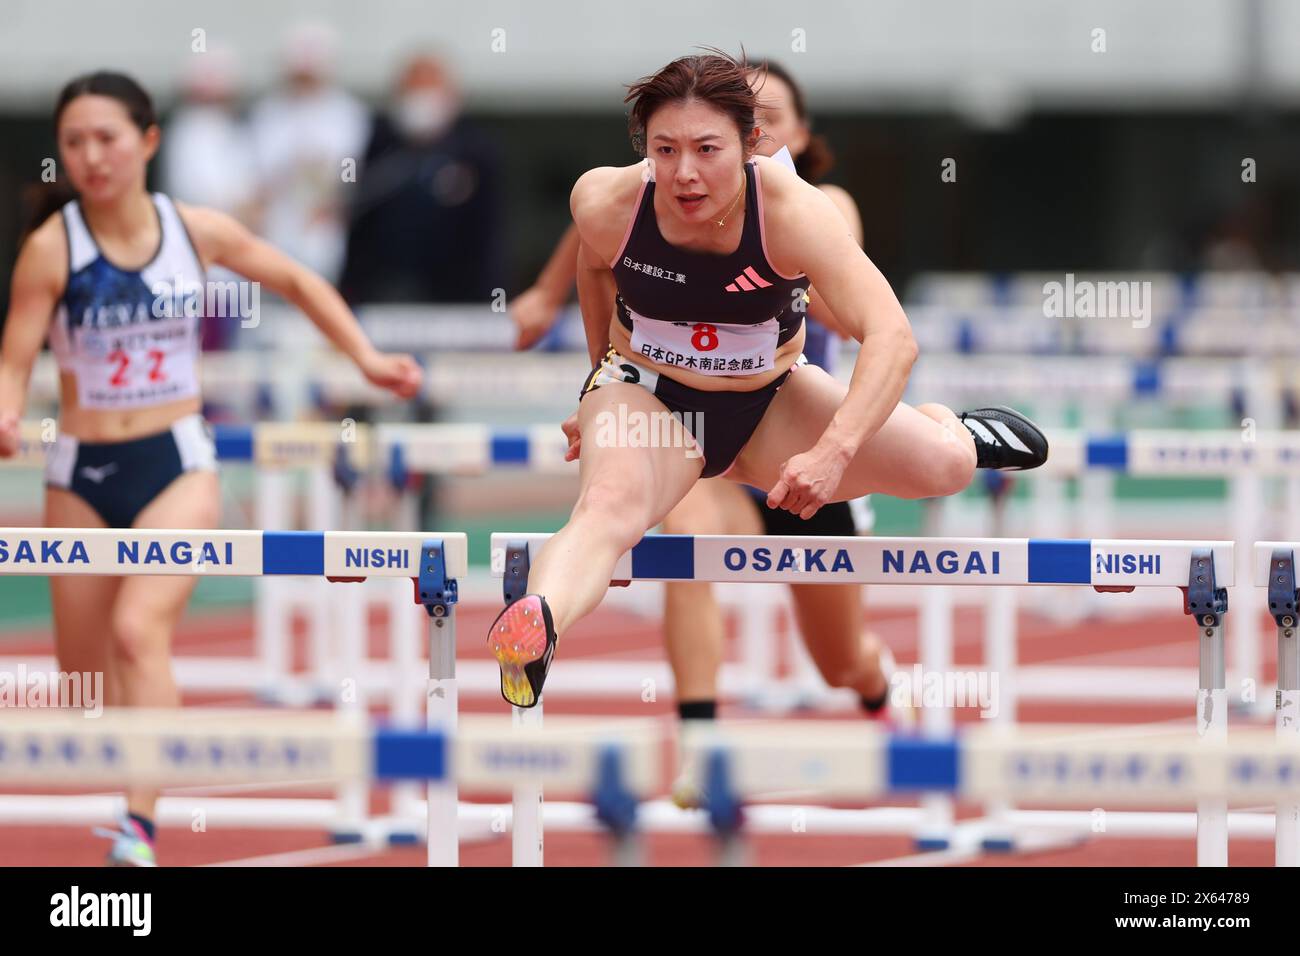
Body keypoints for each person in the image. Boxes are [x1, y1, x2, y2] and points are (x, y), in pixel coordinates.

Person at [487, 50, 1047, 710]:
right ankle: (536, 628)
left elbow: (892, 337)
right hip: (654, 399)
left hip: (773, 403)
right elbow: (592, 270)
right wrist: (597, 386)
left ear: (752, 143)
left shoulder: (795, 212)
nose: (684, 173)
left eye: (706, 149)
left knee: (945, 468)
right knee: (608, 509)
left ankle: (949, 428)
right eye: (665, 150)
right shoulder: (605, 201)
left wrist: (833, 451)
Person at [0, 71, 422, 865]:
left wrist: (363, 357)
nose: (92, 157)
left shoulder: (193, 231)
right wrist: (8, 410)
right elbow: (15, 358)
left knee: (138, 633)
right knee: (82, 689)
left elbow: (294, 277)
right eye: (74, 142)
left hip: (176, 461)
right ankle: (135, 750)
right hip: (80, 471)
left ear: (148, 142)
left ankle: (139, 824)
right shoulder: (52, 249)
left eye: (107, 138)